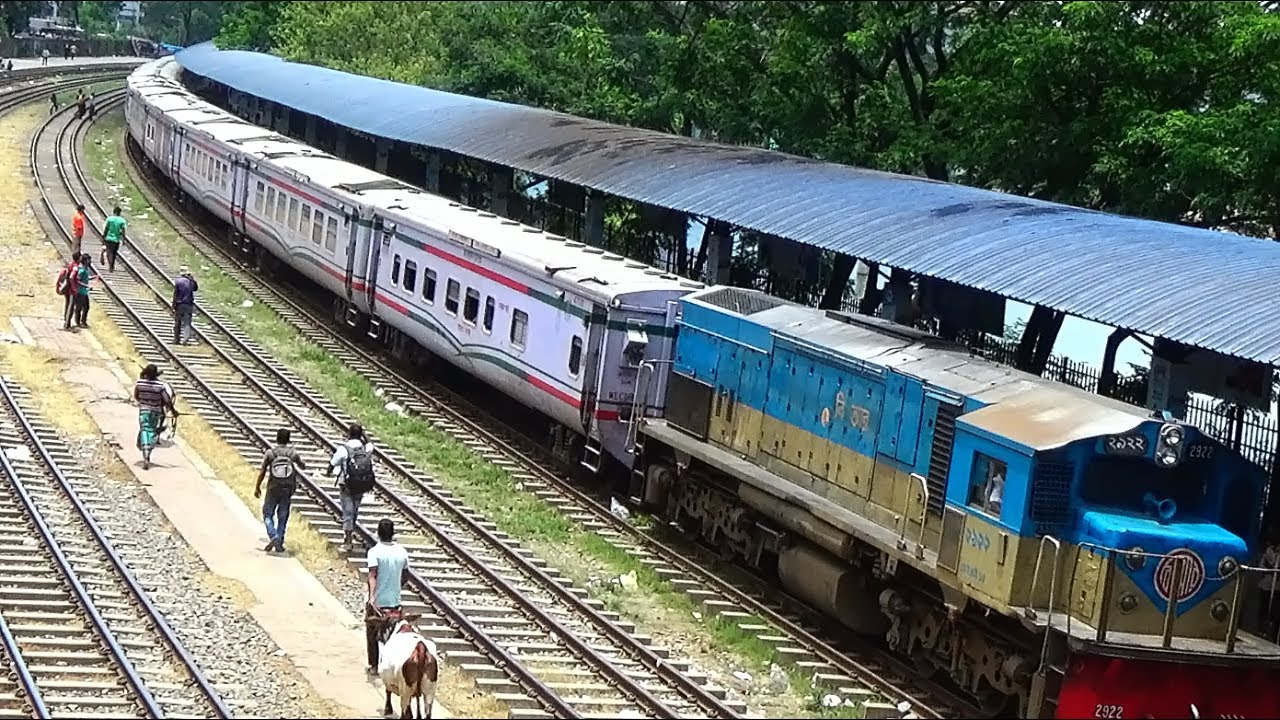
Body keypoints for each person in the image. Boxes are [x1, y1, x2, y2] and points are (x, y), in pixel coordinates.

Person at [365, 518, 410, 676]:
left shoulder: (374, 552)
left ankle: (374, 666)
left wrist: (372, 597)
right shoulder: (402, 552)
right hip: (395, 602)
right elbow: (405, 575)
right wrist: (397, 587)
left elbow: (372, 575)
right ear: (393, 533)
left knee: (372, 634)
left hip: (378, 602)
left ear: (378, 533)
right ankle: (391, 666)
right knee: (393, 636)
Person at [254, 428, 307, 554]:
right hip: (287, 489)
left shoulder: (270, 453)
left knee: (267, 514)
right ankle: (280, 541)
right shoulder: (292, 454)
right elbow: (302, 465)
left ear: (277, 438)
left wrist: (257, 487)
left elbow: (262, 472)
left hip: (273, 487)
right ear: (288, 440)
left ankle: (273, 536)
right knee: (283, 516)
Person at [327, 422, 376, 552]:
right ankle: (350, 532)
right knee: (354, 510)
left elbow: (332, 463)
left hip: (347, 484)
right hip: (361, 484)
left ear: (348, 434)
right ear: (360, 435)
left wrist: (328, 473)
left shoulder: (343, 449)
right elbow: (370, 444)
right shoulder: (365, 449)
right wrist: (364, 435)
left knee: (347, 512)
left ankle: (348, 540)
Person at [134, 364, 176, 470]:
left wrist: (143, 402)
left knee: (144, 429)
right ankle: (149, 450)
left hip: (144, 411)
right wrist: (173, 411)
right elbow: (167, 400)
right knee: (152, 430)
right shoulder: (160, 385)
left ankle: (145, 453)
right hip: (156, 411)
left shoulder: (140, 383)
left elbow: (136, 396)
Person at [172, 265, 198, 345]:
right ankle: (186, 338)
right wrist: (192, 279)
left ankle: (177, 339)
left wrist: (173, 305)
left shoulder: (178, 281)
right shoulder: (191, 282)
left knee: (178, 322)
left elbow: (175, 294)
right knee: (187, 322)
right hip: (189, 304)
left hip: (180, 304)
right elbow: (195, 289)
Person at [71, 254, 97, 328]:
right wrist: (87, 286)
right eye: (89, 260)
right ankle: (79, 322)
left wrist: (91, 278)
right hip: (80, 292)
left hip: (84, 292)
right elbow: (78, 280)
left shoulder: (85, 269)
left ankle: (82, 322)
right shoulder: (82, 270)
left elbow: (84, 278)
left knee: (86, 307)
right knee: (80, 308)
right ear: (85, 261)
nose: (90, 262)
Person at [56, 253, 81, 330]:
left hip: (68, 289)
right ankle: (67, 324)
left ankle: (66, 321)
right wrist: (74, 288)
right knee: (70, 306)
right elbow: (71, 277)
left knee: (68, 305)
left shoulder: (71, 264)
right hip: (71, 291)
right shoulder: (75, 267)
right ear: (79, 258)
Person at [102, 206, 127, 271]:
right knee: (114, 253)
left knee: (109, 253)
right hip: (116, 239)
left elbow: (106, 228)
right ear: (119, 213)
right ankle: (112, 265)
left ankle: (111, 265)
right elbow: (123, 230)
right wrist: (124, 239)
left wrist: (103, 236)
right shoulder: (122, 220)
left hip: (109, 238)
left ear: (114, 212)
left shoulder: (109, 219)